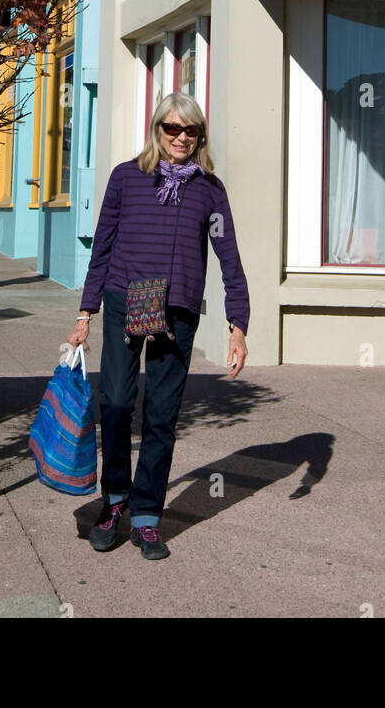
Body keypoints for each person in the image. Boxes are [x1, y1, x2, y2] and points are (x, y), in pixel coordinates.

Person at [67, 92, 250, 560]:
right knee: (116, 405)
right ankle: (113, 504)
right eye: (172, 128)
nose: (181, 138)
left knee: (162, 416)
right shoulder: (127, 178)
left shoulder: (210, 189)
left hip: (177, 309)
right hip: (125, 298)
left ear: (199, 135)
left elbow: (229, 257)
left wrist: (238, 322)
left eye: (190, 130)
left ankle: (146, 517)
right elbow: (102, 246)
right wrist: (85, 313)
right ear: (157, 130)